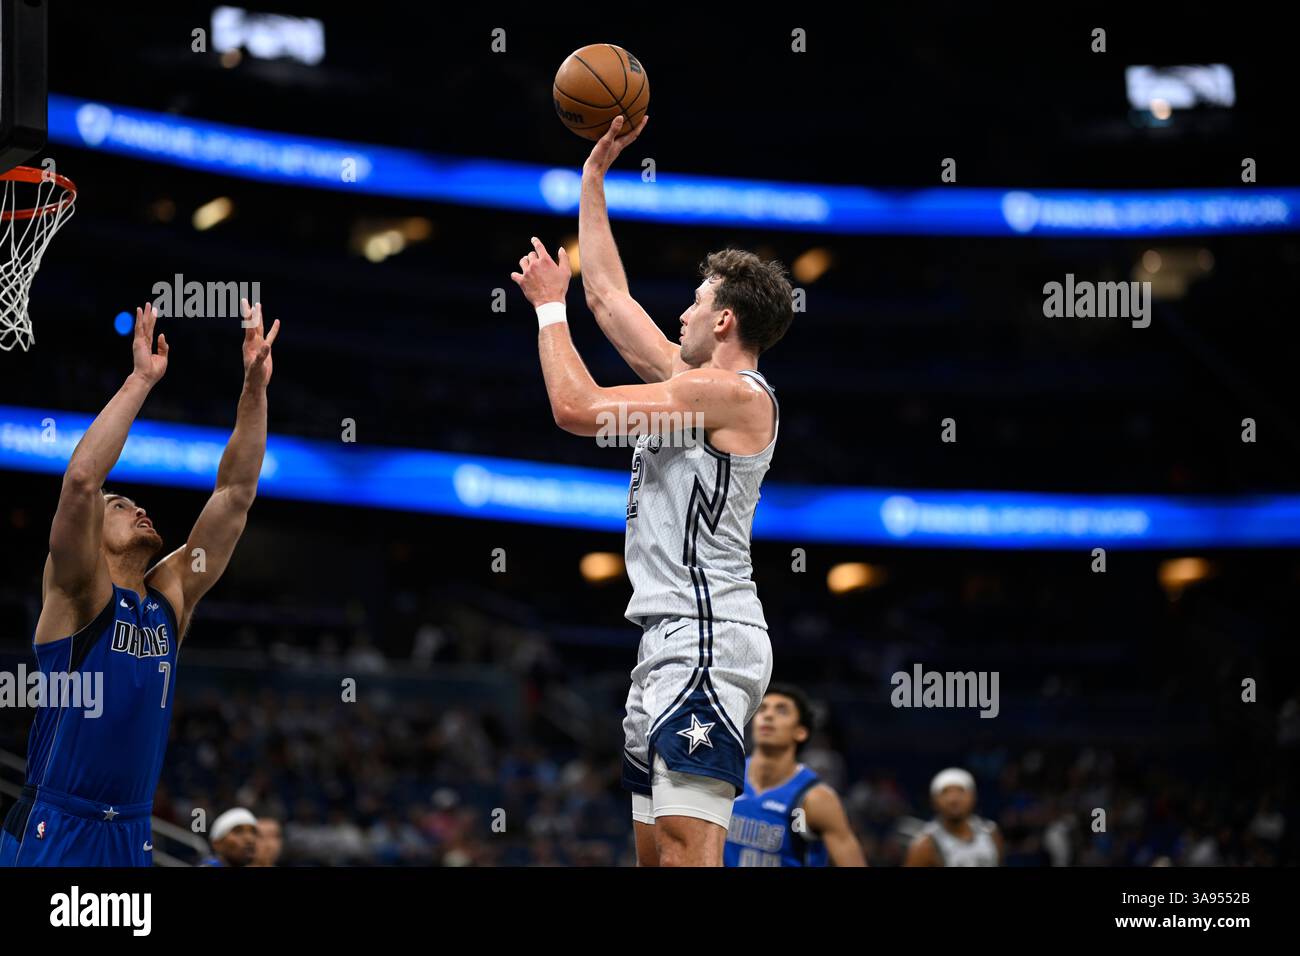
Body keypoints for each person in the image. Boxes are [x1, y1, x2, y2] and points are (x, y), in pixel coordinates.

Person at [511, 114, 794, 866]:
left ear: (724, 319)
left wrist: (546, 309)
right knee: (655, 855)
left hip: (707, 636)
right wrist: (593, 181)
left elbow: (575, 410)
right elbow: (606, 297)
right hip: (665, 638)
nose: (682, 313)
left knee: (686, 855)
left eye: (696, 305)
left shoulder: (734, 397)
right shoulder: (692, 385)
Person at [0, 301, 279, 867]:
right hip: (58, 823)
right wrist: (141, 379)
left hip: (131, 831)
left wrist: (254, 388)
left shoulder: (170, 595)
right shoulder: (76, 592)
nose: (139, 508)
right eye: (121, 505)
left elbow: (234, 495)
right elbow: (81, 480)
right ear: (93, 534)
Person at [725, 685, 867, 866]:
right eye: (762, 709)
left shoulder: (816, 798)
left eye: (781, 711)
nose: (768, 716)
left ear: (800, 732)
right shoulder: (727, 774)